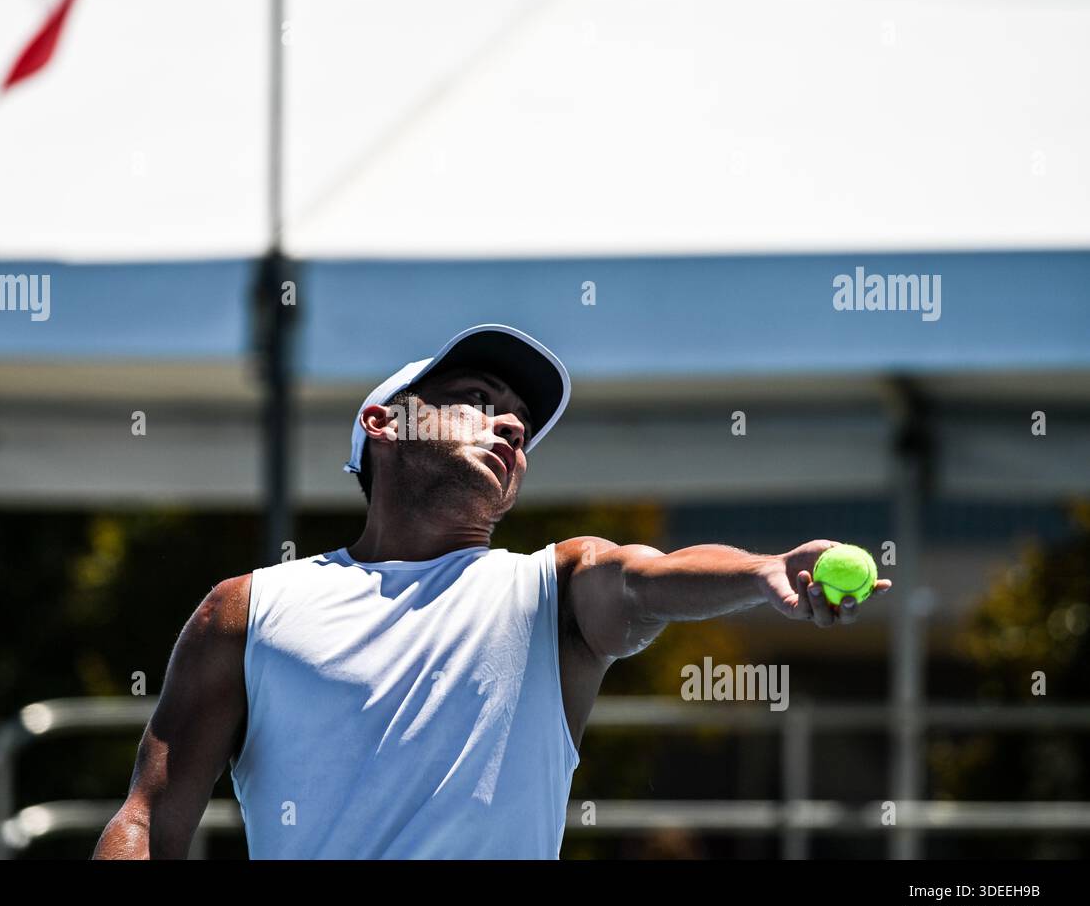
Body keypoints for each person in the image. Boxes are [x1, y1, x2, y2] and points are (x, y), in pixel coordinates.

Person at [92, 323, 892, 859]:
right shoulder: (245, 609)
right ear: (384, 423)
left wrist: (759, 571)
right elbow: (148, 819)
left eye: (520, 424)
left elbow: (646, 581)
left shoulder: (552, 587)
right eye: (478, 400)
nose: (509, 426)